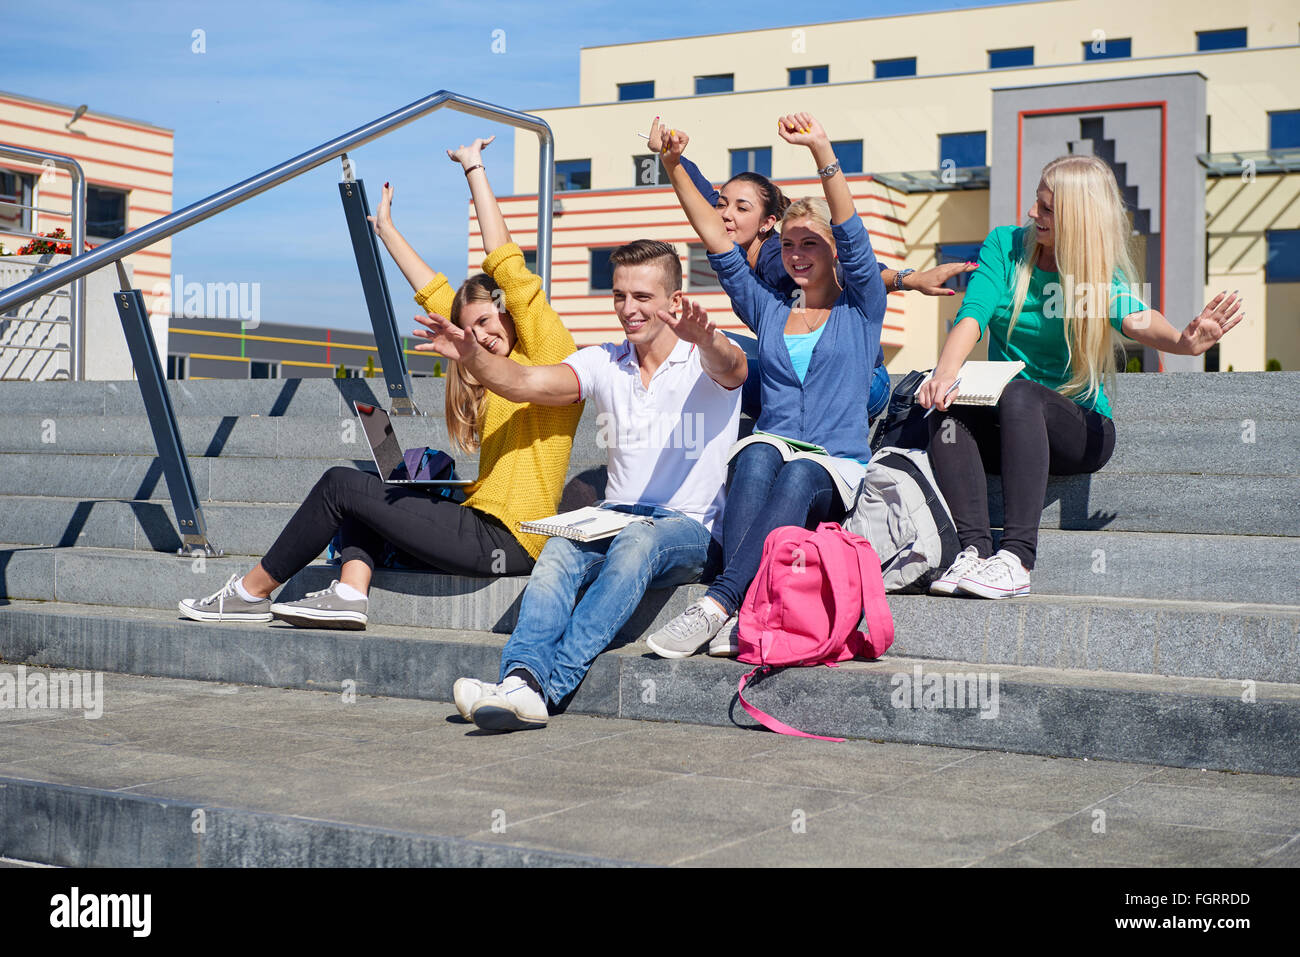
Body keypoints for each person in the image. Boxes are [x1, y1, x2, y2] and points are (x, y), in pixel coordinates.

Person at [179, 137, 583, 629]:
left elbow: (508, 267)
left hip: (508, 540)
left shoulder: (548, 357)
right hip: (483, 525)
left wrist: (473, 168)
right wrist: (386, 230)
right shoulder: (488, 369)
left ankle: (250, 592)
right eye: (472, 327)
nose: (482, 333)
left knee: (338, 485)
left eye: (491, 320)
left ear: (515, 317)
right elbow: (436, 297)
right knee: (373, 489)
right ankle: (350, 592)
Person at [433, 239, 747, 731]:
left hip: (689, 528)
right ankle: (519, 679)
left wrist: (705, 338)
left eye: (642, 297)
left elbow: (733, 366)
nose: (628, 308)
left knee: (638, 540)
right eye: (619, 295)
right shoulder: (603, 360)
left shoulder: (703, 354)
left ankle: (548, 685)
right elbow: (523, 383)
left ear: (674, 300)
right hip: (615, 515)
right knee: (559, 546)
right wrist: (474, 359)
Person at [918, 154, 1243, 599]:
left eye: (1047, 208)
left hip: (1080, 431)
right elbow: (972, 315)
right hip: (1009, 426)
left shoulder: (1093, 271)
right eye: (1036, 202)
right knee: (946, 407)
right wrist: (943, 376)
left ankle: (1015, 559)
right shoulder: (1005, 247)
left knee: (1020, 396)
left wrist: (1184, 342)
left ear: (1078, 216)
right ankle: (974, 551)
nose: (1034, 213)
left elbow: (1136, 319)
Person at [645, 112, 888, 659]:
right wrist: (672, 164)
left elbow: (852, 231)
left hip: (833, 460)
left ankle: (719, 602)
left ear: (834, 254)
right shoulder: (770, 309)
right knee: (755, 455)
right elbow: (715, 235)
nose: (798, 254)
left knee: (800, 469)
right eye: (793, 244)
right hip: (774, 445)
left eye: (813, 244)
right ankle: (746, 607)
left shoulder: (862, 307)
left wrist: (821, 149)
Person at [644, 117, 976, 419]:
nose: (725, 214)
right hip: (806, 366)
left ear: (766, 223)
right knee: (698, 343)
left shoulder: (779, 259)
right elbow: (701, 193)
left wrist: (910, 279)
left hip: (862, 385)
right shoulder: (739, 245)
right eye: (721, 206)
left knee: (713, 363)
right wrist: (670, 155)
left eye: (741, 208)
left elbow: (851, 270)